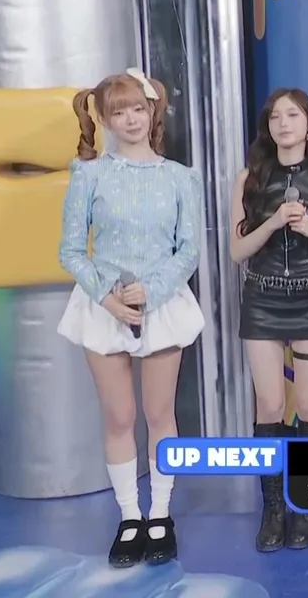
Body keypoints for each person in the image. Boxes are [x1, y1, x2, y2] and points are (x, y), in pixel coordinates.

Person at [57, 69, 204, 568]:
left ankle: (161, 513)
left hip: (163, 307)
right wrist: (107, 297)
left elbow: (189, 250)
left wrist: (153, 290)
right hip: (103, 308)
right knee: (120, 416)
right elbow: (70, 250)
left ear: (152, 111)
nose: (131, 119)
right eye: (119, 112)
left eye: (138, 109)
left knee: (161, 414)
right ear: (105, 119)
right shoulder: (89, 174)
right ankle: (129, 516)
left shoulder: (180, 177)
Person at [229, 88, 308, 552]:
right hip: (262, 298)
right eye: (275, 116)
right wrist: (274, 221)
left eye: (293, 115)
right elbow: (237, 250)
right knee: (271, 405)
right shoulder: (249, 178)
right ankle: (273, 509)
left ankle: (305, 504)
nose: (283, 123)